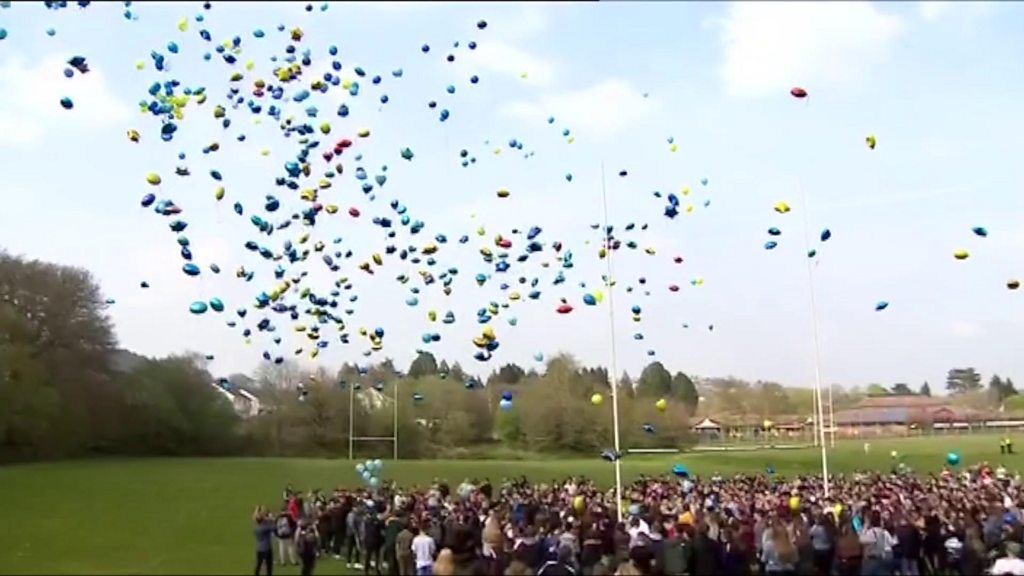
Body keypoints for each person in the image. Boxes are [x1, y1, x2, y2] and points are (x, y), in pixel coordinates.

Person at [253, 507, 276, 576]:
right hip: (267, 549)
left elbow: (257, 518)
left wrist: (265, 518)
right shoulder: (265, 527)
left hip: (259, 549)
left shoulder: (256, 527)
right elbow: (274, 528)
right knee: (269, 565)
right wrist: (271, 519)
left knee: (258, 564)